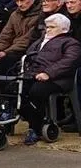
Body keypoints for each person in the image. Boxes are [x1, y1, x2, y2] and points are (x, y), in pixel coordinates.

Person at [19, 13, 81, 144]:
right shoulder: (40, 41)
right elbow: (29, 56)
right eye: (47, 27)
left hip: (58, 79)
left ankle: (35, 129)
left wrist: (48, 73)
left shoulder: (71, 43)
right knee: (13, 88)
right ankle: (13, 119)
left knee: (36, 91)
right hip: (34, 75)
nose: (48, 30)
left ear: (64, 29)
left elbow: (69, 62)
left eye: (52, 27)